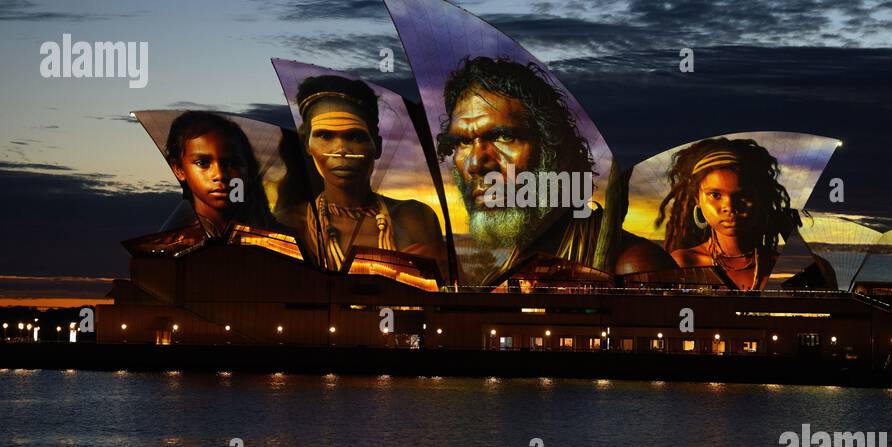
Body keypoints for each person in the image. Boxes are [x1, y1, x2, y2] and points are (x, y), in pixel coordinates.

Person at [435, 55, 669, 284]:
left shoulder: (634, 267)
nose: (475, 163)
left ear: (553, 149)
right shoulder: (507, 273)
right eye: (463, 142)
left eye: (504, 136)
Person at [296, 75, 447, 276]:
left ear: (377, 146)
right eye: (325, 135)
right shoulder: (292, 225)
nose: (341, 150)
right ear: (308, 145)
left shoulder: (416, 219)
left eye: (355, 136)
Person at [655, 137, 801, 291]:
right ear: (697, 199)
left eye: (743, 195)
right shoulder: (682, 263)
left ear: (759, 198)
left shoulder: (782, 266)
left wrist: (792, 237)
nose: (729, 207)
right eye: (715, 195)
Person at [164, 111, 280, 237]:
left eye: (232, 163)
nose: (220, 175)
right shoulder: (172, 239)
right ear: (179, 169)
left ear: (249, 169)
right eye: (202, 163)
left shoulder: (281, 237)